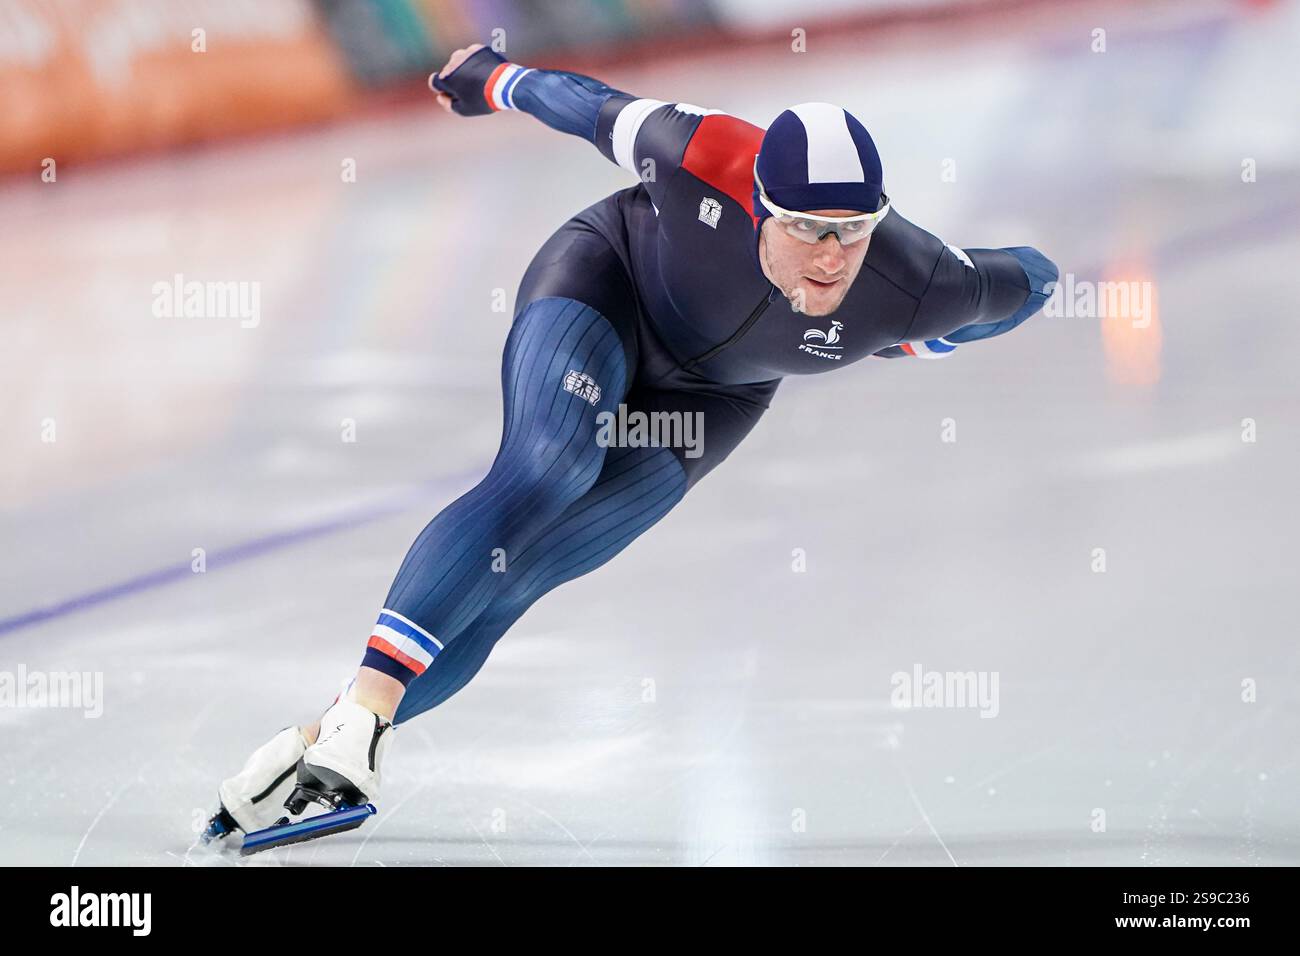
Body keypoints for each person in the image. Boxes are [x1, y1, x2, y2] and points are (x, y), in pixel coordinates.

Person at [205, 42, 1058, 844]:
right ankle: (360, 726)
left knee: (525, 574)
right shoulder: (702, 153)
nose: (830, 256)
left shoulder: (918, 281)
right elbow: (587, 104)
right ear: (759, 204)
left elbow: (1029, 282)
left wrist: (926, 335)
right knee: (552, 466)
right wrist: (490, 75)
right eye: (803, 226)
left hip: (710, 398)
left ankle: (327, 737)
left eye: (851, 229)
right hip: (606, 289)